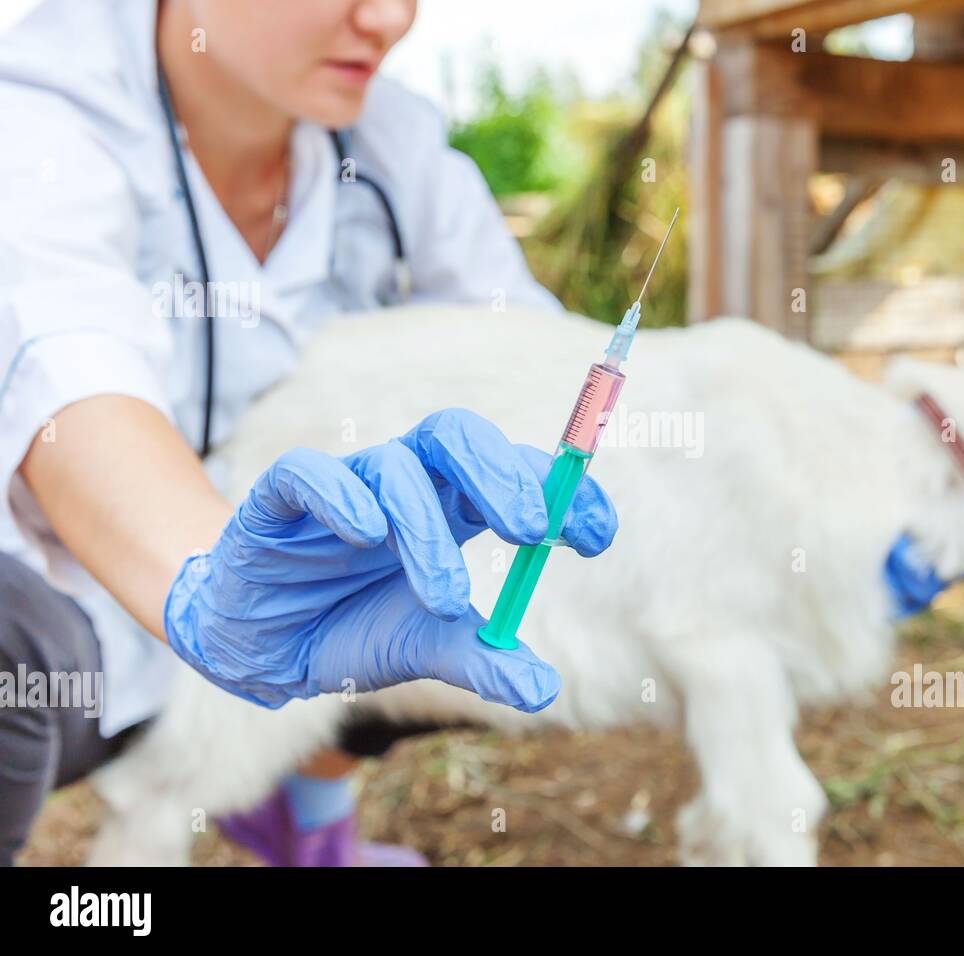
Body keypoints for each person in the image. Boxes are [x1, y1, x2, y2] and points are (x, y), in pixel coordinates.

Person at [0, 0, 617, 866]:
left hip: (292, 612)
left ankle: (304, 816)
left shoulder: (392, 144)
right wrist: (210, 583)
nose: (389, 19)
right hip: (75, 606)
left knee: (442, 564)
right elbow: (69, 369)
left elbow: (526, 348)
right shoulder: (43, 104)